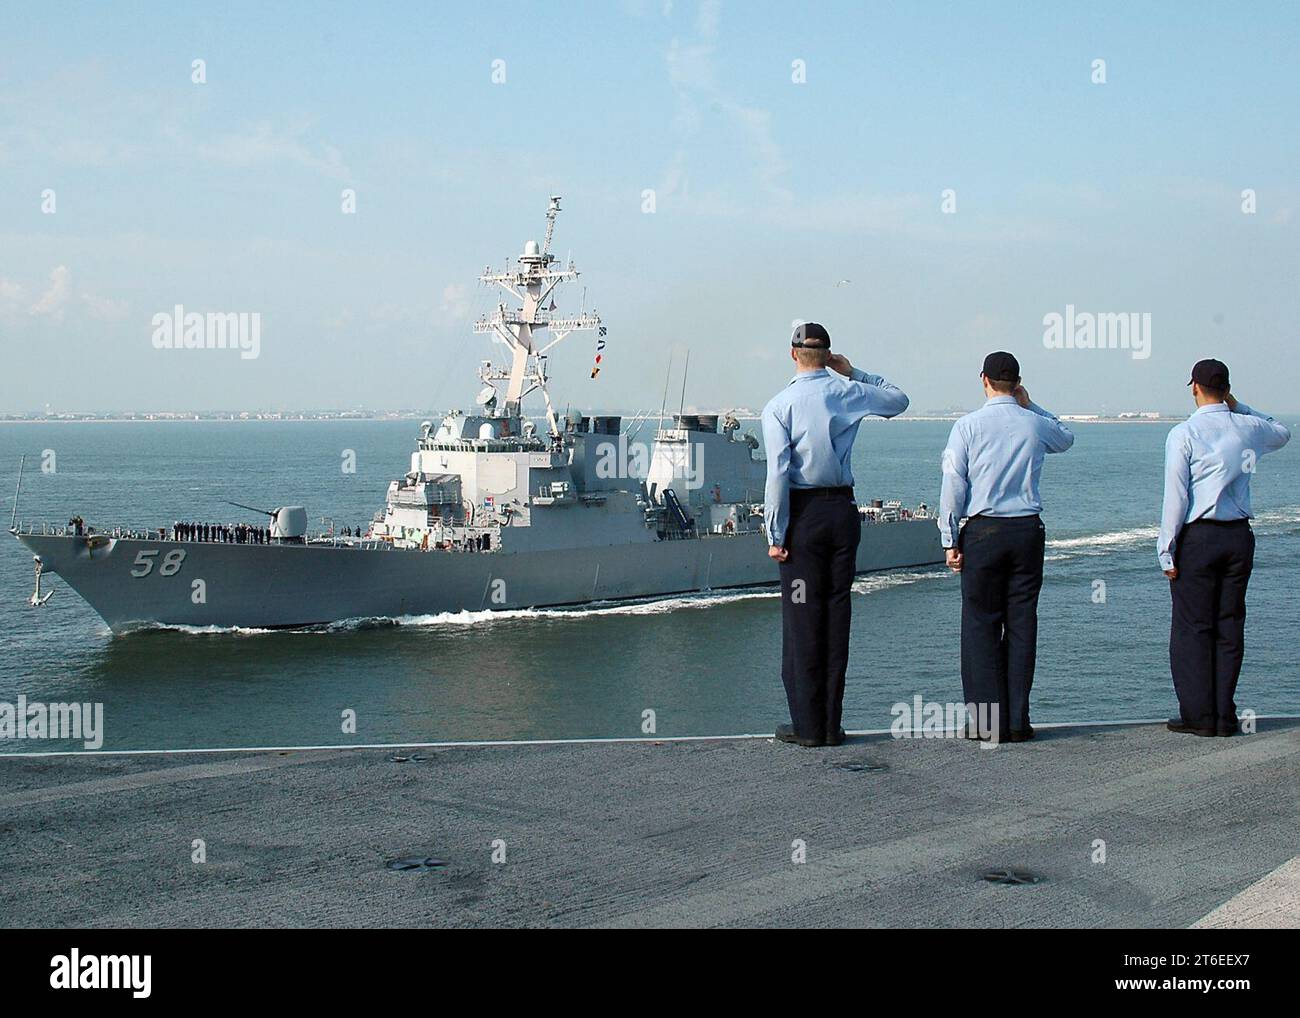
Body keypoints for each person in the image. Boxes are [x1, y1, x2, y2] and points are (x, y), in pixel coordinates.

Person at [761, 322, 910, 748]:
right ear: (827, 355)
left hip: (803, 518)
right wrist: (854, 372)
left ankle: (807, 727)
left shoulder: (778, 405)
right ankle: (829, 724)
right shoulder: (849, 392)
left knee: (802, 617)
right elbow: (899, 400)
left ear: (792, 354)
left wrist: (776, 532)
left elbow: (777, 474)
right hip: (842, 513)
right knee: (836, 617)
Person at [938, 352, 1074, 743]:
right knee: (1021, 625)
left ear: (983, 379)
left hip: (983, 531)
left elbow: (953, 487)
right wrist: (1030, 404)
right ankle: (1017, 721)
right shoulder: (1034, 424)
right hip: (1027, 532)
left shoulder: (966, 427)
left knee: (980, 625)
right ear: (1017, 382)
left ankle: (985, 723)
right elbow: (1065, 436)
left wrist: (950, 540)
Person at [1158, 359, 1290, 737]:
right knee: (1229, 626)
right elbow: (1281, 432)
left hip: (1198, 537)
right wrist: (1240, 407)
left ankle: (1198, 716)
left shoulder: (1183, 433)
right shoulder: (1248, 428)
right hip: (1237, 536)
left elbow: (1176, 498)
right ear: (1226, 390)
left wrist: (1166, 549)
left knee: (1192, 629)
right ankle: (1223, 714)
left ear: (1194, 388)